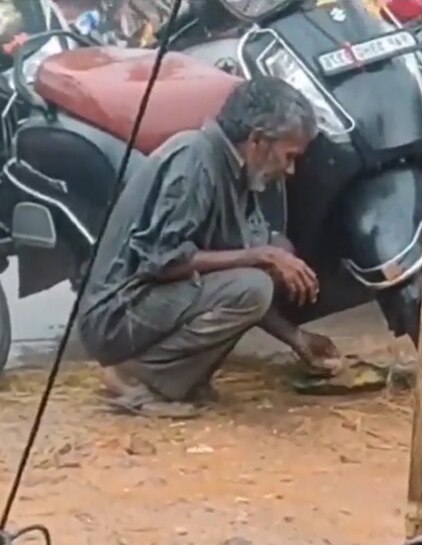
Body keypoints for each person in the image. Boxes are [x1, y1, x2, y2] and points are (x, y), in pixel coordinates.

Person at [77, 77, 339, 419]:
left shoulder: (237, 171)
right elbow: (163, 262)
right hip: (115, 316)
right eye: (289, 156)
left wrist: (296, 338)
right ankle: (137, 377)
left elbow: (237, 278)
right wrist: (261, 255)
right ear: (258, 140)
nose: (290, 170)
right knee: (259, 276)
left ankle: (178, 379)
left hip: (144, 306)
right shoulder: (194, 159)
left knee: (271, 263)